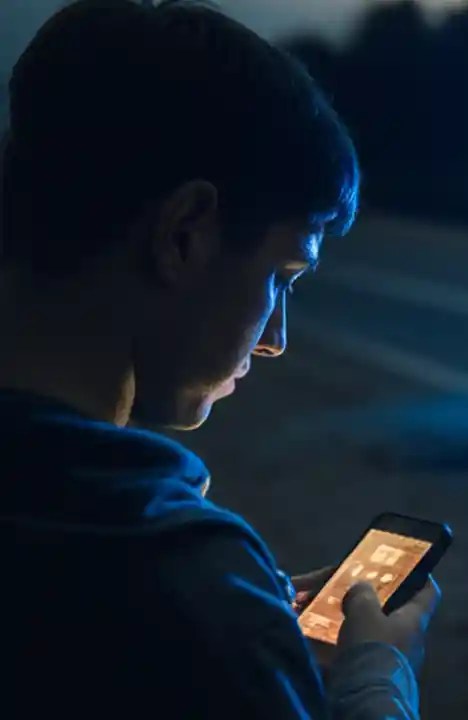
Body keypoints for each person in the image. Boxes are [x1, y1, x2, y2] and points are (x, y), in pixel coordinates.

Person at [0, 1, 440, 717]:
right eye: (281, 278)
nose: (276, 338)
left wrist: (249, 607)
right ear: (183, 235)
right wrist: (374, 675)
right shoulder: (172, 577)